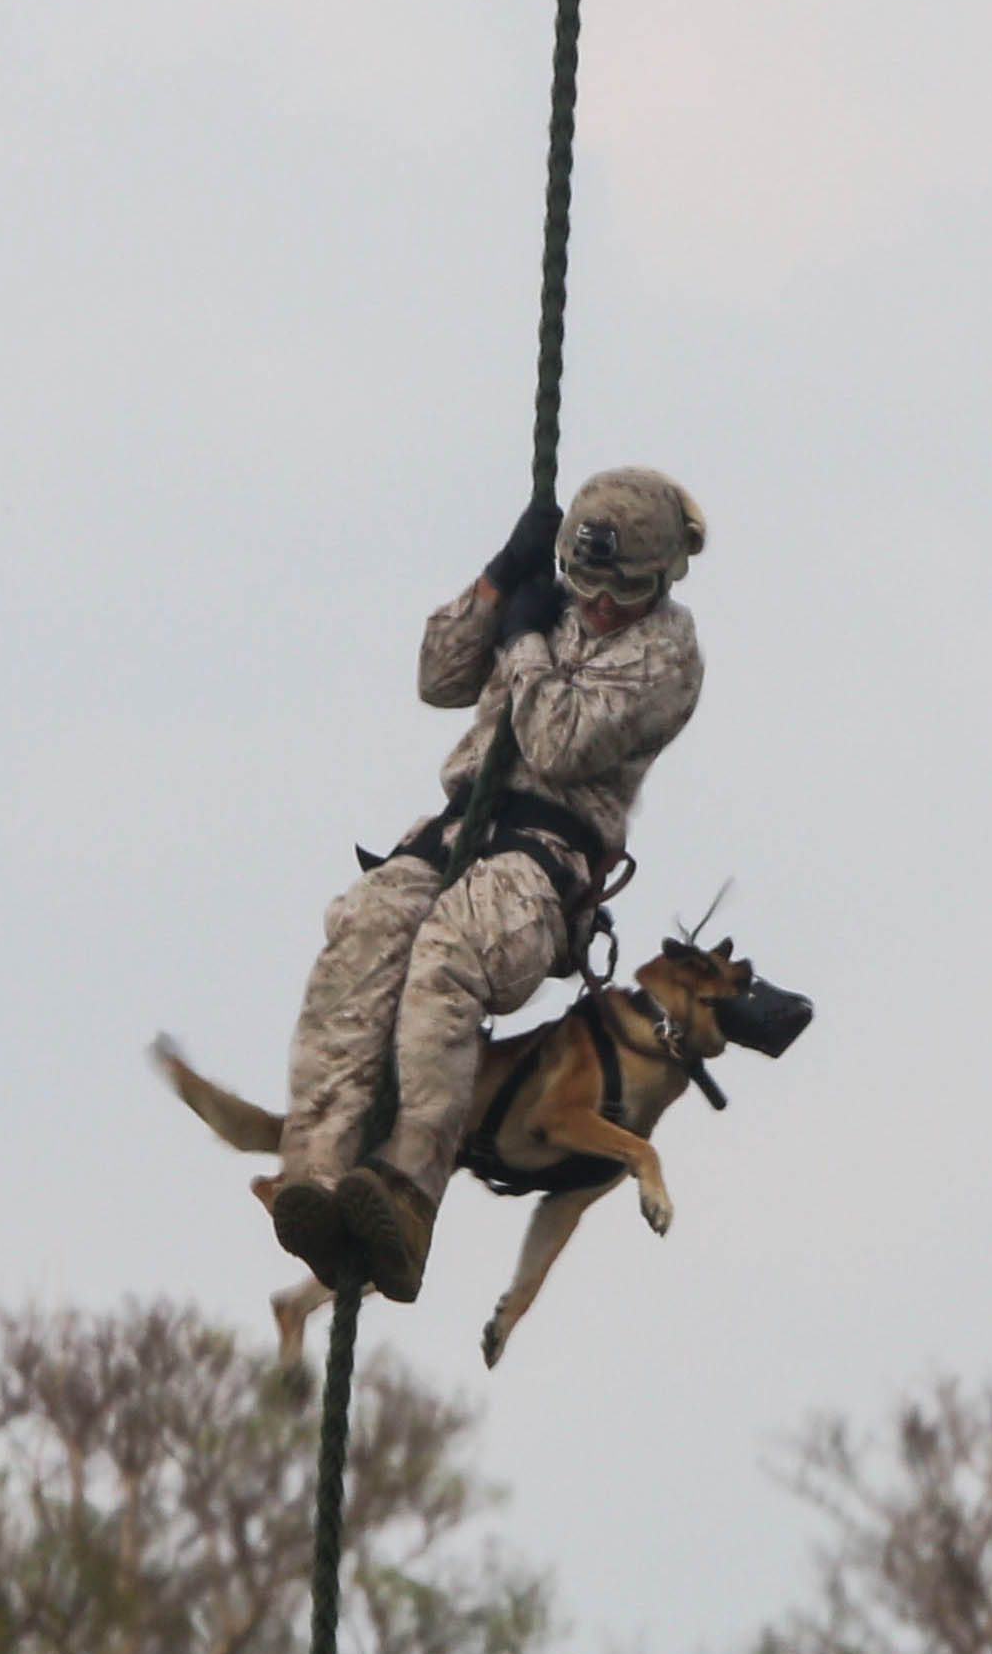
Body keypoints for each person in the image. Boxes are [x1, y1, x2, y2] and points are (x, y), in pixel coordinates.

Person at [265, 467, 708, 1306]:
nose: (604, 606)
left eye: (627, 590)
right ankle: (317, 1177)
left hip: (543, 859)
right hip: (453, 830)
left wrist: (527, 642)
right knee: (359, 938)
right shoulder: (552, 600)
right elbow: (436, 676)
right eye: (589, 583)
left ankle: (406, 1197)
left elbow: (557, 744)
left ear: (660, 581)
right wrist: (500, 580)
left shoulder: (668, 656)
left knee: (450, 955)